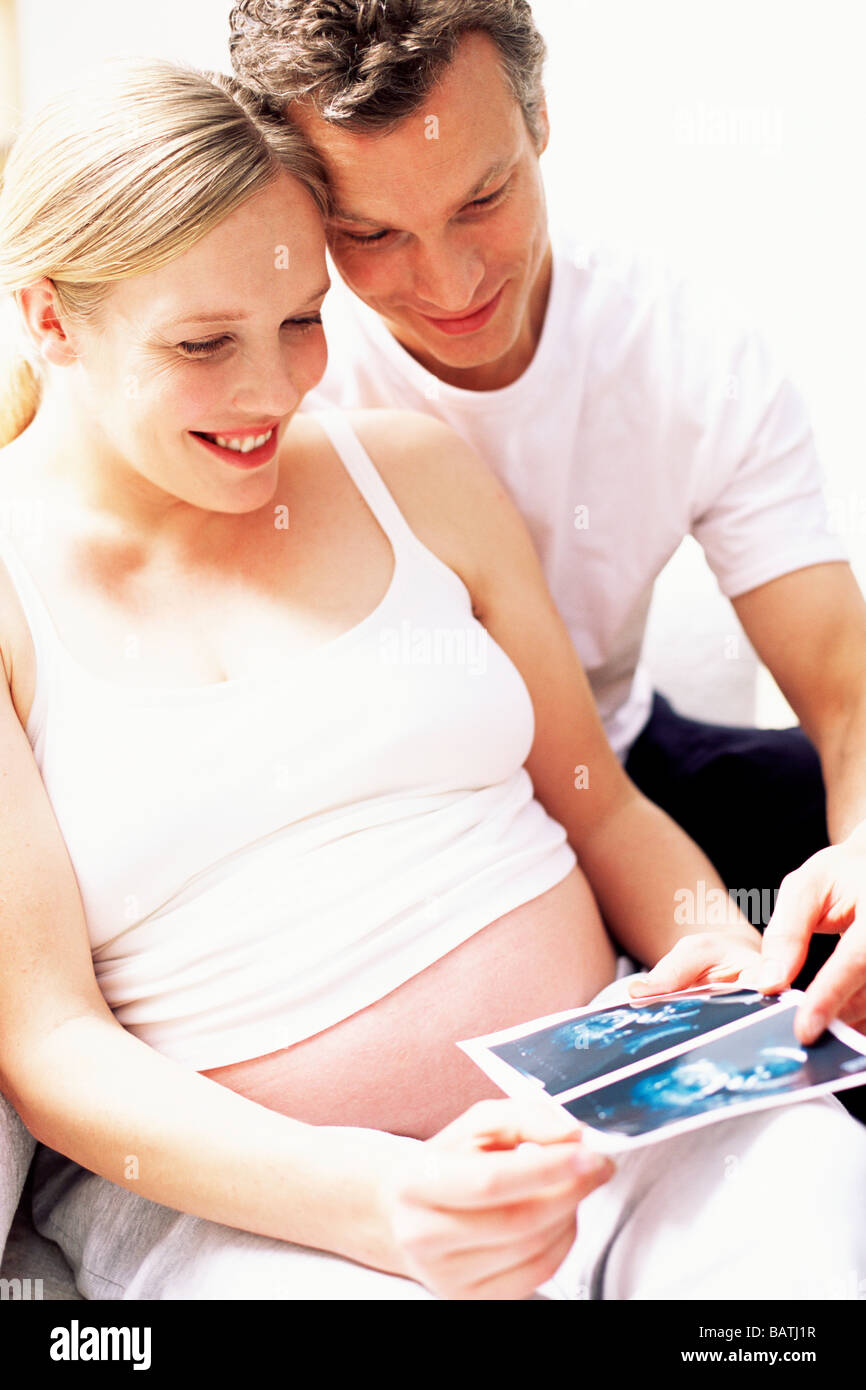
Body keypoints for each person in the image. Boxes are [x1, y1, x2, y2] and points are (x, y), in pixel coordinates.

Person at [0, 57, 864, 1303]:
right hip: (282, 1218)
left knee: (804, 1243)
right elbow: (46, 1040)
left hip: (608, 1110)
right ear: (47, 319)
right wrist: (379, 1203)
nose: (270, 392)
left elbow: (599, 804)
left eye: (301, 320)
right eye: (203, 344)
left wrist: (715, 962)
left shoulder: (411, 470)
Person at [228, 0, 866, 1047]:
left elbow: (843, 690)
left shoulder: (685, 351)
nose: (450, 282)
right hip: (421, 823)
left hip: (615, 769)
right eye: (371, 234)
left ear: (538, 119)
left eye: (482, 197)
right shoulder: (265, 389)